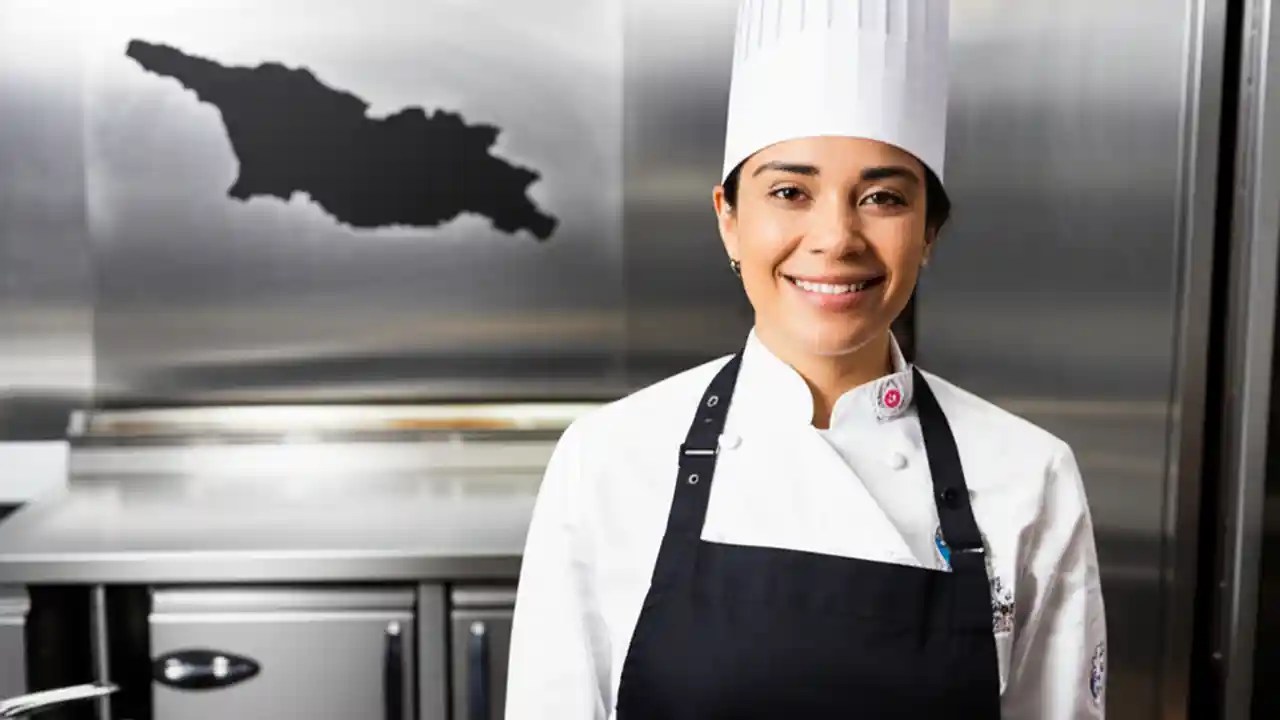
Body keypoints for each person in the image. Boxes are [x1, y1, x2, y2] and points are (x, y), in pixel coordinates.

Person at [505, 1, 1107, 718]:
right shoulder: (608, 461)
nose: (835, 238)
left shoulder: (1028, 477)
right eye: (790, 192)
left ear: (930, 231)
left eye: (882, 197)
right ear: (728, 218)